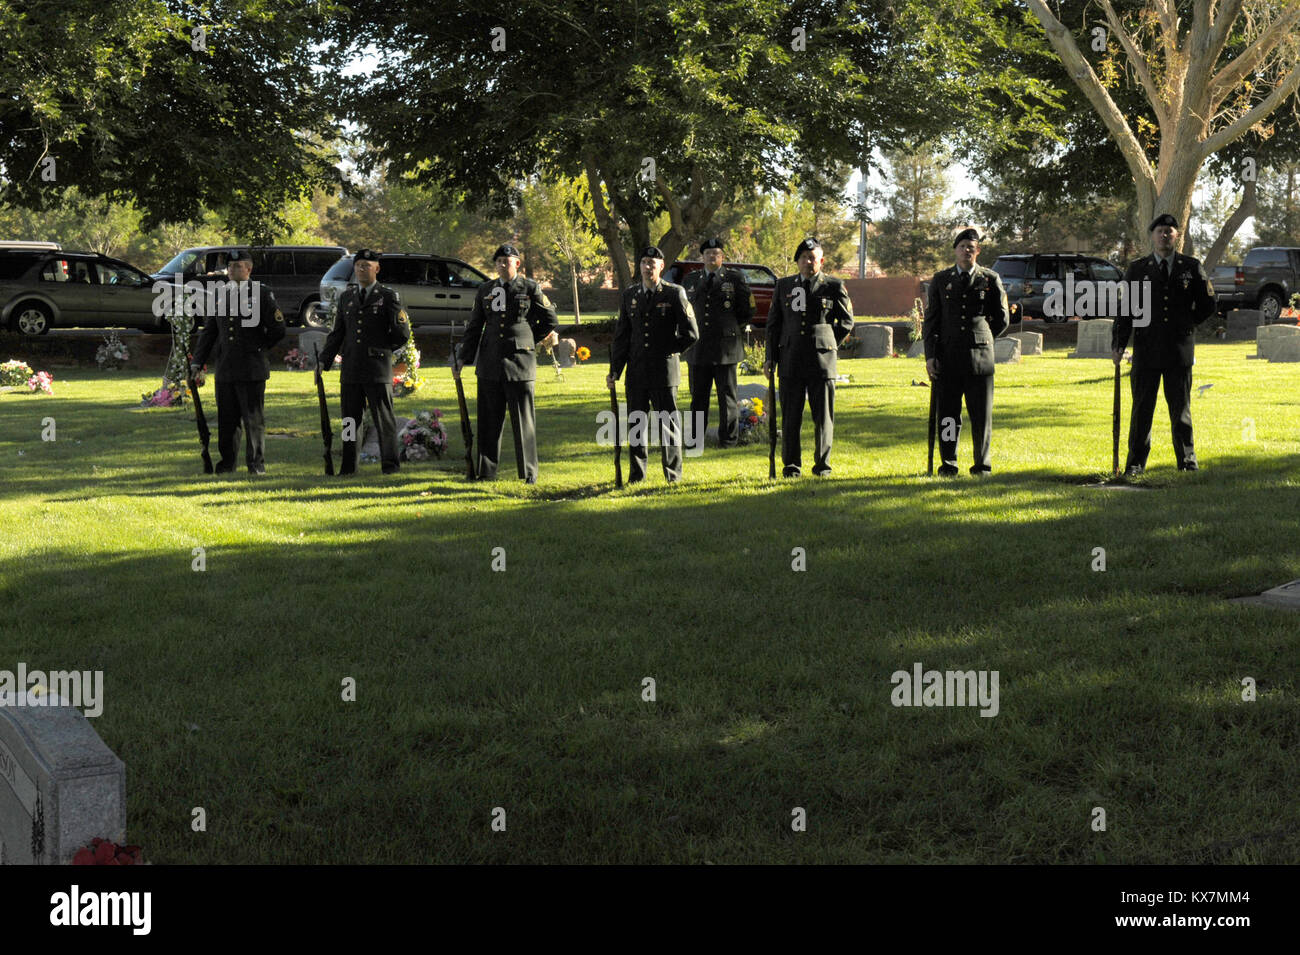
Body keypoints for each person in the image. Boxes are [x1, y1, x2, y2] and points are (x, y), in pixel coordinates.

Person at [1112, 213, 1217, 475]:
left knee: (1180, 410)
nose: (1164, 235)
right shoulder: (1137, 269)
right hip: (1146, 350)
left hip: (1178, 351)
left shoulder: (1191, 267)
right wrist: (1118, 344)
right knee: (1142, 411)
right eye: (1159, 231)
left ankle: (1187, 462)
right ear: (1152, 236)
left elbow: (1208, 303)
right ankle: (1135, 464)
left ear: (1177, 236)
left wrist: (1187, 322)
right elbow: (1125, 310)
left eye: (1169, 231)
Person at [456, 244, 559, 483]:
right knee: (488, 421)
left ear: (517, 264)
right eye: (499, 261)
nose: (503, 264)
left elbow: (550, 318)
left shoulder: (530, 287)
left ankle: (529, 473)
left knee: (523, 421)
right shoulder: (485, 289)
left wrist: (528, 338)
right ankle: (487, 472)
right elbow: (474, 327)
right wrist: (463, 357)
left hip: (520, 362)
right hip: (490, 362)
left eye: (507, 260)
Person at [762, 237, 854, 477]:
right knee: (791, 417)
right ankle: (791, 465)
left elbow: (846, 322)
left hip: (821, 362)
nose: (808, 262)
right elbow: (773, 325)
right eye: (803, 257)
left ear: (821, 261)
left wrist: (827, 342)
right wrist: (770, 357)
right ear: (797, 261)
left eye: (812, 258)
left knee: (823, 418)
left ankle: (822, 465)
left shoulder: (833, 286)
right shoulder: (784, 286)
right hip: (790, 359)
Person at [922, 228, 1010, 476]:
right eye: (962, 247)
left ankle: (981, 464)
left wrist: (982, 337)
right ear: (955, 250)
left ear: (977, 251)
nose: (966, 251)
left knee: (981, 415)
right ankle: (949, 462)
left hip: (980, 360)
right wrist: (930, 356)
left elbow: (1001, 319)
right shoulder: (941, 280)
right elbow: (931, 321)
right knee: (949, 416)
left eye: (971, 247)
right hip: (947, 358)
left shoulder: (990, 279)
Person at [607, 246, 699, 483]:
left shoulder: (673, 293)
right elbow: (622, 336)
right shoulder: (630, 295)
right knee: (637, 425)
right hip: (637, 371)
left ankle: (672, 475)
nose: (648, 267)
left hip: (664, 370)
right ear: (639, 267)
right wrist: (615, 370)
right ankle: (637, 476)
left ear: (661, 266)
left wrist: (670, 348)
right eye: (644, 262)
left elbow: (691, 333)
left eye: (653, 263)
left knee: (668, 425)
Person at [189, 249, 285, 474]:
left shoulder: (262, 293)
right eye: (230, 266)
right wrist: (197, 362)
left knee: (253, 421)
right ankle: (227, 465)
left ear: (249, 269)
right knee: (227, 421)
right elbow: (209, 332)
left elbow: (278, 328)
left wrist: (259, 348)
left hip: (251, 368)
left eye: (237, 266)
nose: (232, 270)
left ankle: (256, 465)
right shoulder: (220, 294)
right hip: (226, 368)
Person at [318, 248, 411, 475]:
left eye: (367, 265)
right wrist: (324, 361)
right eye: (358, 265)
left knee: (384, 421)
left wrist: (381, 350)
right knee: (350, 421)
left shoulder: (388, 296)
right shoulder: (347, 297)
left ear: (376, 269)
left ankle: (390, 466)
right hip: (351, 369)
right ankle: (348, 467)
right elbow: (337, 333)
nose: (361, 269)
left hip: (377, 369)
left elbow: (402, 332)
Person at [683, 238, 753, 448]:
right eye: (708, 253)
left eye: (716, 253)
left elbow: (747, 311)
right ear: (702, 257)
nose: (712, 257)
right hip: (699, 348)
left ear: (722, 257)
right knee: (698, 397)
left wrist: (729, 328)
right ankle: (695, 440)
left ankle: (729, 439)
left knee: (727, 397)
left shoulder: (734, 278)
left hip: (726, 348)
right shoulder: (691, 280)